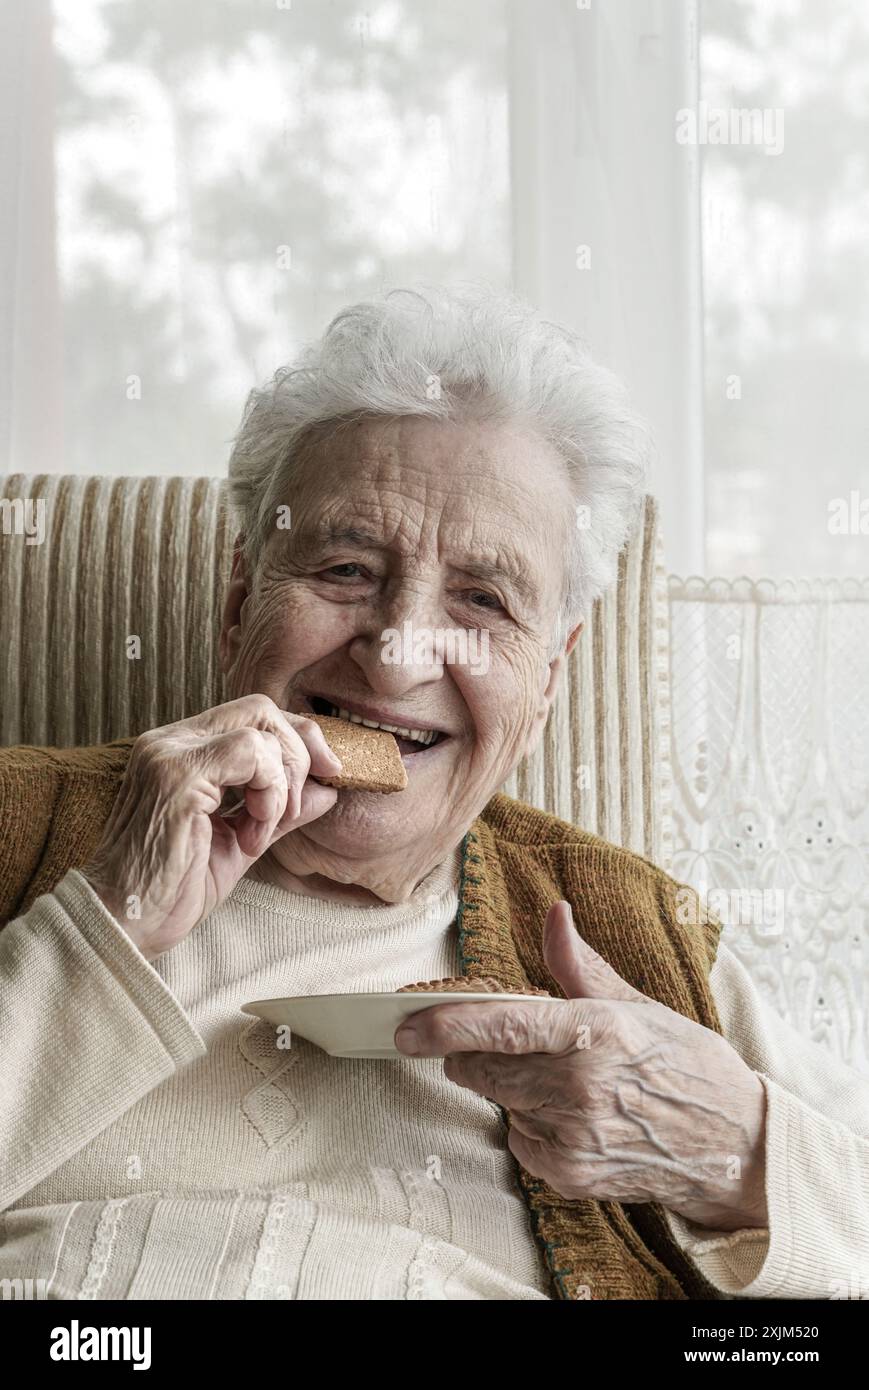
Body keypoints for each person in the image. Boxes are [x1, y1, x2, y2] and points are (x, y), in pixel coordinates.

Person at [1, 287, 867, 1301]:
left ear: (548, 676)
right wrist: (98, 933)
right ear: (241, 600)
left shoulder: (634, 937)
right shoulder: (25, 825)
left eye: (482, 600)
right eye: (345, 567)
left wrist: (735, 1155)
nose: (399, 649)